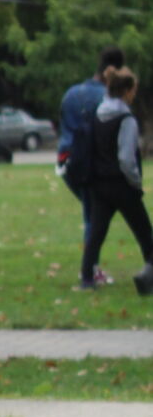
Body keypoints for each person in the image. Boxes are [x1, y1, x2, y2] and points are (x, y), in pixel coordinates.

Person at [80, 68, 153, 294]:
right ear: (127, 91)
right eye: (133, 91)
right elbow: (126, 157)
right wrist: (136, 182)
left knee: (96, 233)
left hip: (99, 184)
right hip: (121, 184)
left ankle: (87, 278)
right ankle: (148, 275)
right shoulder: (126, 119)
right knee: (144, 232)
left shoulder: (98, 114)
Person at [59, 46, 125, 285]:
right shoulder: (106, 99)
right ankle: (90, 270)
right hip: (92, 165)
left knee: (95, 214)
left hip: (67, 163)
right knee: (94, 218)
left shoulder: (72, 93)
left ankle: (91, 268)